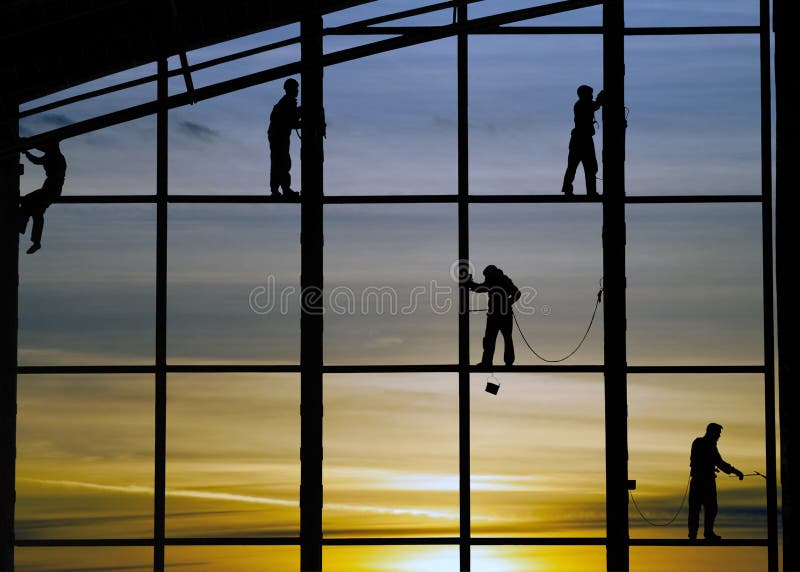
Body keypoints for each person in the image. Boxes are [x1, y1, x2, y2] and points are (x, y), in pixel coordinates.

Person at [688, 422, 744, 541]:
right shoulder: (708, 445)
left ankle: (693, 534)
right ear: (711, 432)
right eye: (718, 433)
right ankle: (706, 533)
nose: (719, 436)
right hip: (705, 482)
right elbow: (720, 463)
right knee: (709, 508)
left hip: (698, 481)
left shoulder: (698, 442)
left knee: (697, 509)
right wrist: (736, 471)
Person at [466, 265, 521, 368]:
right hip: (503, 315)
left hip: (497, 315)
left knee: (491, 339)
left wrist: (469, 283)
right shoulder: (503, 279)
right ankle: (507, 362)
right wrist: (509, 302)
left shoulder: (494, 280)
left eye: (486, 276)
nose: (486, 278)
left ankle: (488, 362)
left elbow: (481, 288)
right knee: (505, 338)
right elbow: (517, 293)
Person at [18, 139, 67, 254]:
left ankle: (21, 225)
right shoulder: (55, 156)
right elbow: (41, 149)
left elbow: (37, 160)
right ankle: (35, 241)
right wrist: (27, 145)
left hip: (51, 189)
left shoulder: (53, 157)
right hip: (52, 189)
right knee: (37, 212)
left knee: (27, 200)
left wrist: (27, 151)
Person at [561, 84, 604, 197]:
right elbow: (595, 106)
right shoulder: (582, 104)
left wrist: (599, 99)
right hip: (582, 139)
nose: (591, 96)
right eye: (590, 94)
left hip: (581, 139)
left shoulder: (581, 104)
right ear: (584, 95)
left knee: (584, 166)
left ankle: (574, 189)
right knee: (583, 166)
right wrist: (601, 98)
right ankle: (585, 191)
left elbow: (595, 105)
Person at [268, 77, 301, 199]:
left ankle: (278, 190)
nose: (297, 91)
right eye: (296, 88)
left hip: (277, 136)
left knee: (279, 162)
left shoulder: (286, 102)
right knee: (282, 162)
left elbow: (290, 120)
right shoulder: (287, 102)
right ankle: (282, 190)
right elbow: (291, 122)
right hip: (279, 137)